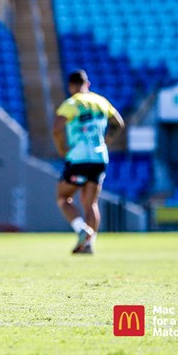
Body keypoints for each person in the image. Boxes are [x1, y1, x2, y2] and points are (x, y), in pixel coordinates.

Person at [52, 69, 124, 255]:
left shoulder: (72, 103)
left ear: (70, 86)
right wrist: (107, 140)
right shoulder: (101, 101)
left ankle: (83, 230)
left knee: (63, 198)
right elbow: (119, 122)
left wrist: (62, 149)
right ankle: (89, 244)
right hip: (100, 157)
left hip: (79, 158)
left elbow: (57, 128)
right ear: (88, 84)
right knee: (90, 203)